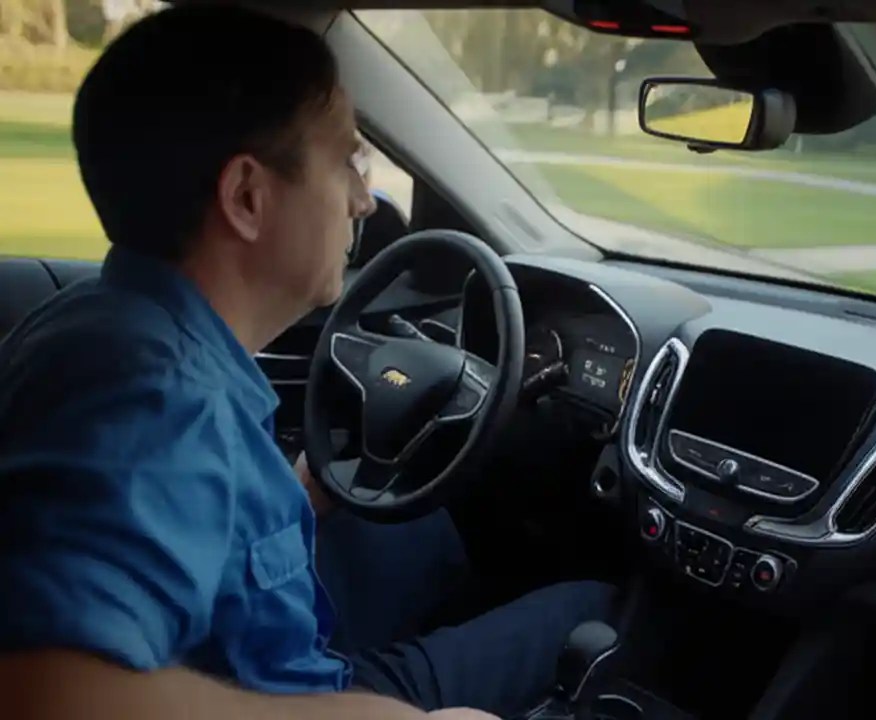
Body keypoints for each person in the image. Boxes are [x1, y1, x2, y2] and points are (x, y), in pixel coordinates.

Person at [0, 5, 616, 719]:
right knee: (598, 608)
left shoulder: (92, 321)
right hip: (297, 689)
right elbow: (44, 690)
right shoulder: (160, 403)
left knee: (421, 538)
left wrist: (303, 487)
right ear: (247, 197)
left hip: (252, 647)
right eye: (347, 162)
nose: (363, 200)